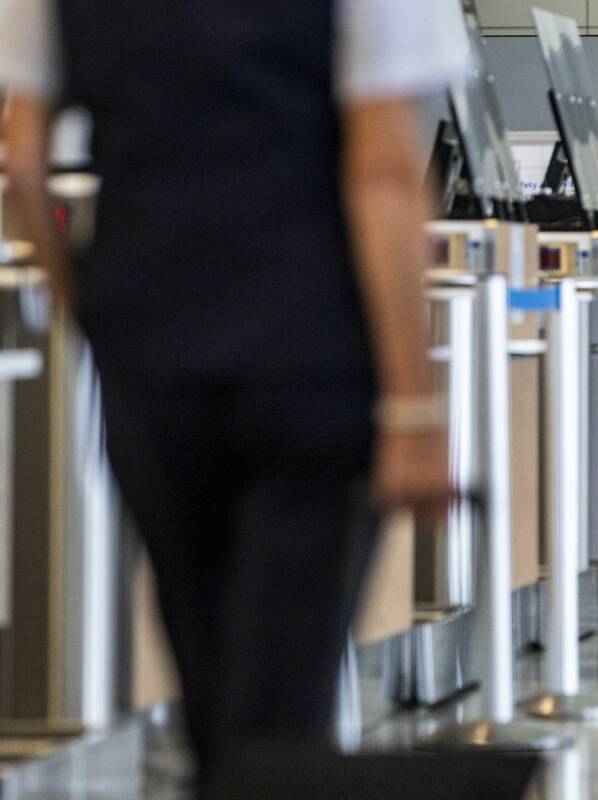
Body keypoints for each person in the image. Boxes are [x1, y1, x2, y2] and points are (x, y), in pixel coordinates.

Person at [0, 0, 468, 787]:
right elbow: (384, 170)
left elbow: (20, 158)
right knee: (280, 711)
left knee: (209, 684)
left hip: (151, 359)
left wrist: (91, 312)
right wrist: (416, 407)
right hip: (309, 356)